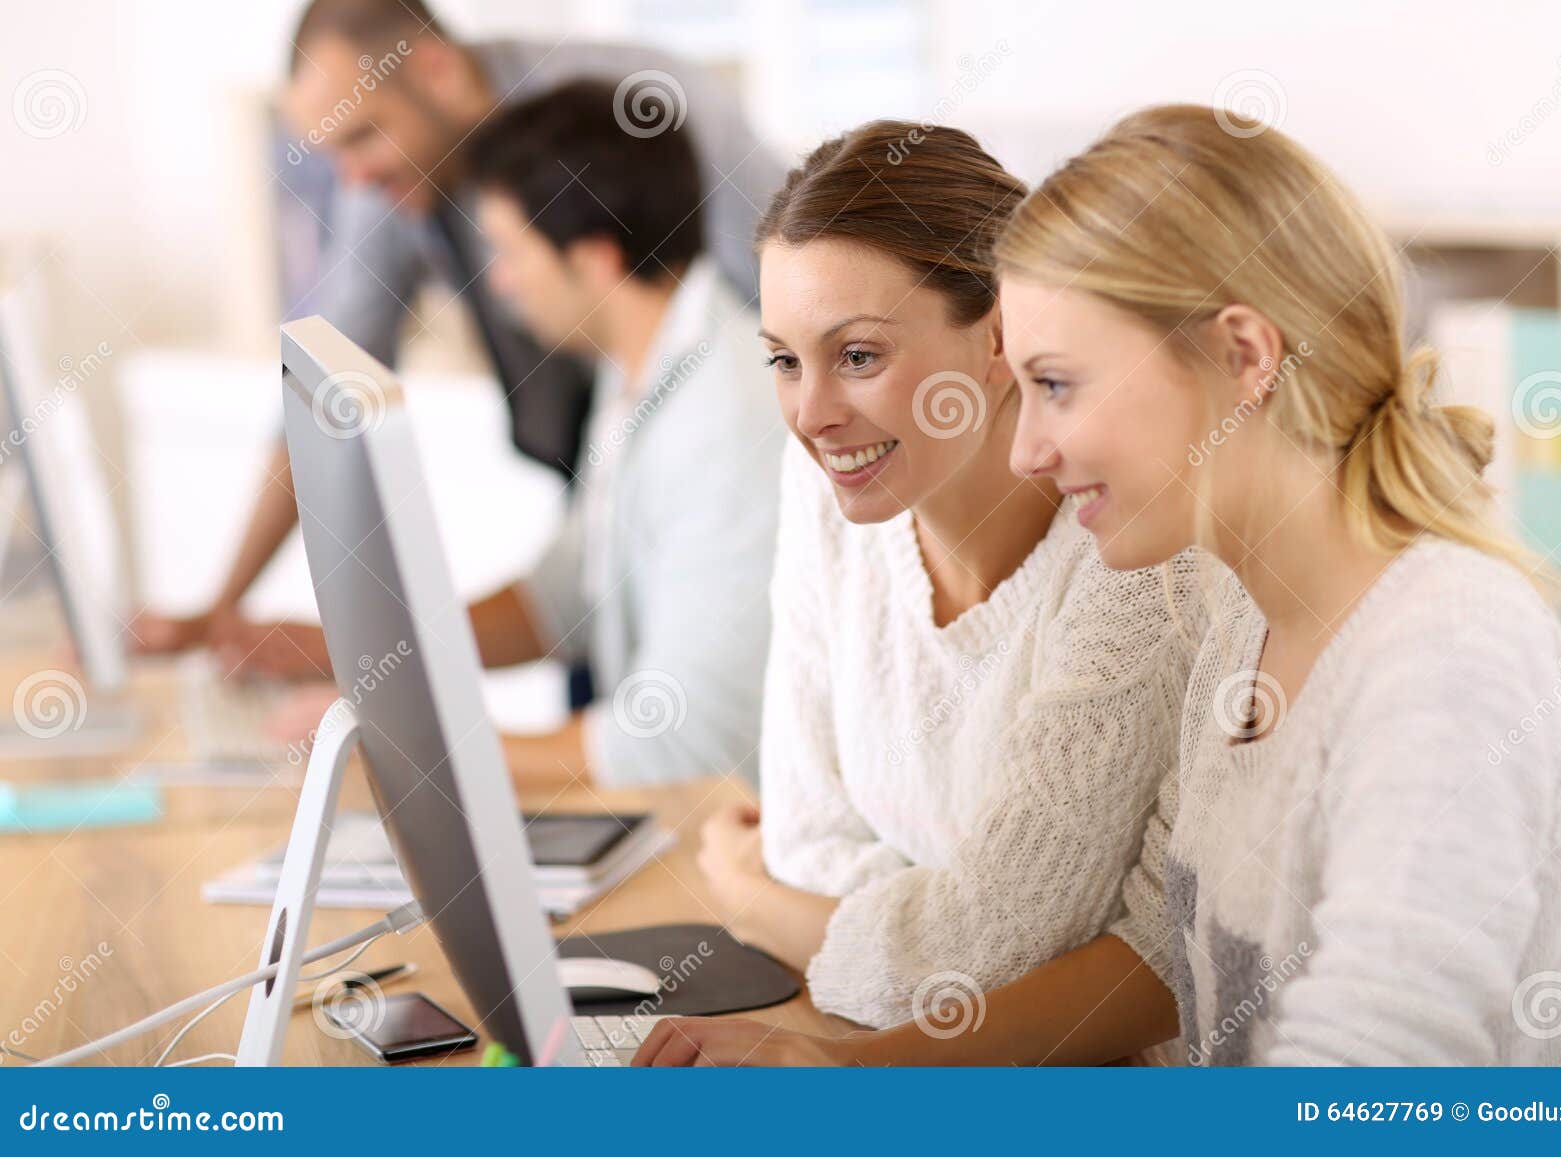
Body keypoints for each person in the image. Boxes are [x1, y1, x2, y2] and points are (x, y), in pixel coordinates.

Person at [635, 104, 1561, 1065]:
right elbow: (1161, 950)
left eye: (1056, 384)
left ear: (1243, 360)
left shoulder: (1444, 651)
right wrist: (846, 1072)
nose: (1028, 449)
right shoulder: (1236, 622)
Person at [687, 121, 1206, 1029]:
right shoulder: (832, 490)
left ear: (1000, 336)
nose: (811, 415)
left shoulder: (1130, 552)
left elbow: (997, 952)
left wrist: (750, 902)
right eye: (783, 360)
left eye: (857, 355)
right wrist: (931, 923)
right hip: (913, 1049)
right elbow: (809, 839)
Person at [129, 0, 783, 676]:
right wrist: (226, 608)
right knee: (609, 678)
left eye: (362, 136)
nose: (353, 178)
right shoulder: (388, 180)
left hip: (730, 486)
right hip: (605, 484)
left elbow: (799, 289)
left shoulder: (635, 107)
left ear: (437, 71)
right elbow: (327, 389)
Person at [277, 81, 783, 788]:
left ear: (594, 259)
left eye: (511, 254)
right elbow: (572, 594)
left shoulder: (724, 421)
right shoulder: (641, 367)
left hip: (730, 840)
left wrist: (414, 743)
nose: (502, 285)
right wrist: (372, 660)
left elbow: (683, 741)